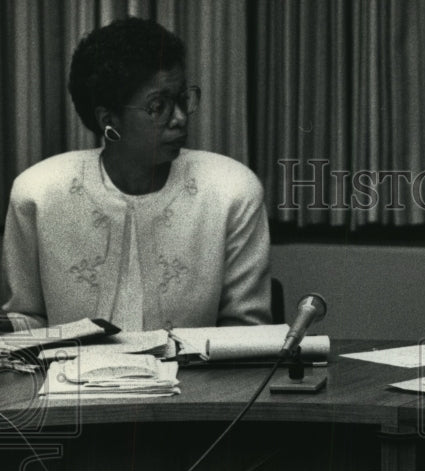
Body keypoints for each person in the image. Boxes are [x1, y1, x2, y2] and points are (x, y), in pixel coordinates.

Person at [1, 16, 271, 332]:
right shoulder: (38, 193)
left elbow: (246, 336)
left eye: (182, 99)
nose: (180, 118)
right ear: (108, 120)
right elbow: (24, 325)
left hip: (197, 381)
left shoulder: (231, 190)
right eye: (158, 106)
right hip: (66, 379)